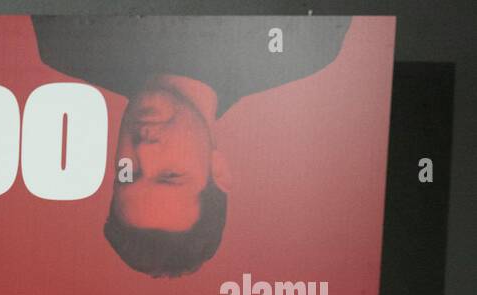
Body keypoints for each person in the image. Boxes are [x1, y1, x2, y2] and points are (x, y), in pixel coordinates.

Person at [30, 15, 350, 277]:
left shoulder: (65, 41)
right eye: (169, 175)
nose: (144, 150)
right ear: (219, 170)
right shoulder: (306, 45)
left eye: (128, 175)